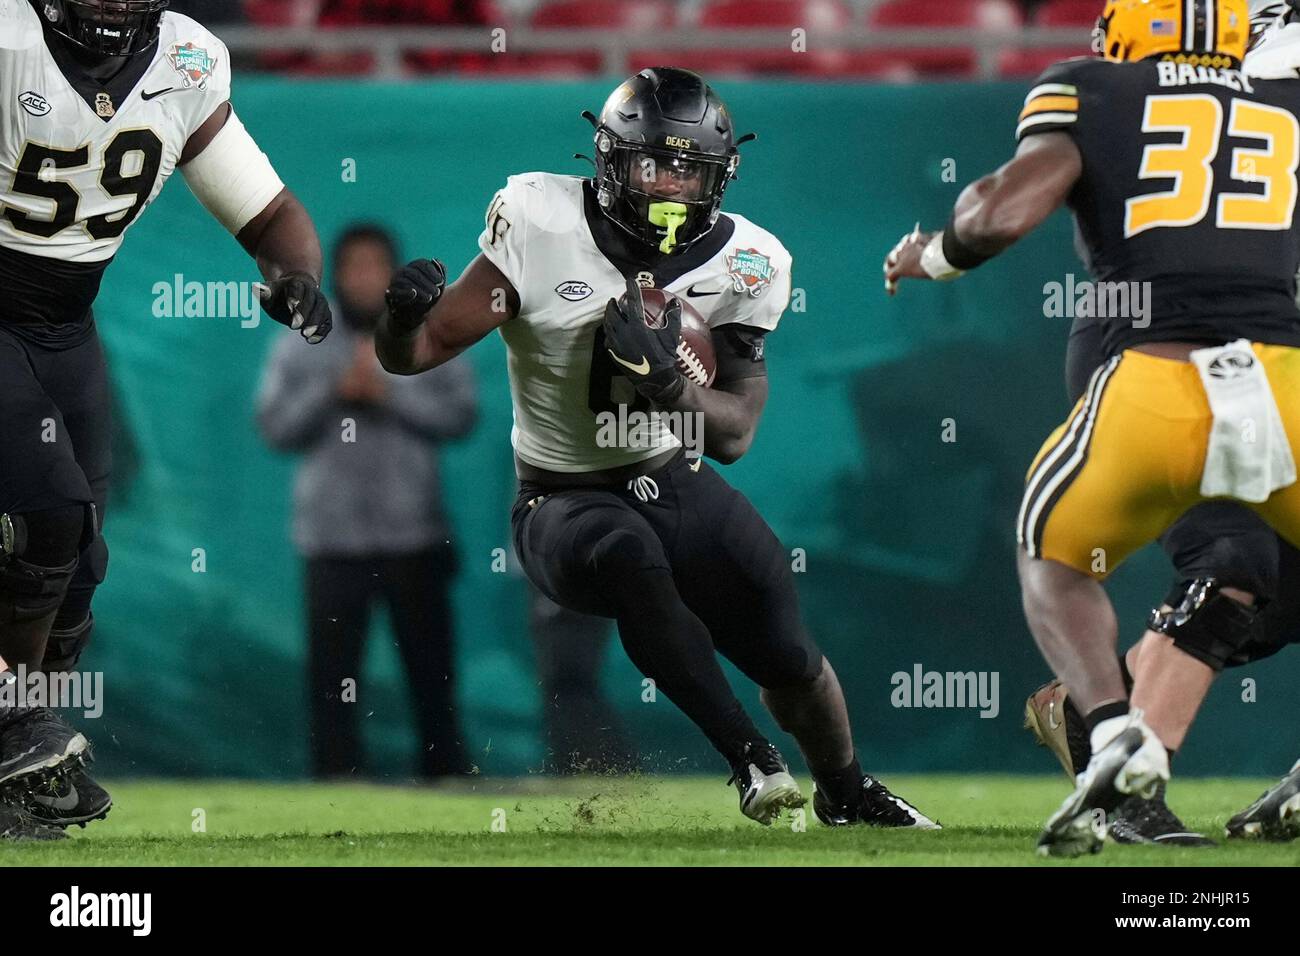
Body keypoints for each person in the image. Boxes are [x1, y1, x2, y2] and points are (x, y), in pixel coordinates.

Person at [375, 67, 937, 828]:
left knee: (784, 644)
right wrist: (401, 320)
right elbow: (418, 351)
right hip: (559, 493)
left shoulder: (751, 261)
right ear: (612, 160)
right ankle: (750, 757)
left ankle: (848, 791)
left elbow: (734, 434)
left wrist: (669, 384)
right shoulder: (541, 222)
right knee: (626, 554)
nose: (672, 185)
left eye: (690, 168)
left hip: (670, 477)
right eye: (655, 163)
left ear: (720, 175)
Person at [883, 0, 1300, 856]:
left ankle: (1102, 723)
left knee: (1093, 558)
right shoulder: (1280, 98)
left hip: (1163, 370)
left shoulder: (1092, 86)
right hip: (1239, 358)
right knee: (1236, 563)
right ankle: (1126, 779)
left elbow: (1000, 212)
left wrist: (931, 256)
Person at [0, 0, 332, 840]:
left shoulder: (187, 61)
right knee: (45, 517)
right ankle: (10, 726)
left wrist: (293, 275)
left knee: (78, 566)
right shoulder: (7, 38)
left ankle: (17, 774)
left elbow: (267, 211)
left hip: (65, 326)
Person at [1021, 0, 1300, 847]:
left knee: (1274, 597)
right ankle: (1126, 779)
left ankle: (1088, 710)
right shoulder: (1254, 56)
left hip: (1268, 341)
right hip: (1176, 336)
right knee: (1234, 557)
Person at [258, 224, 476, 780]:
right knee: (332, 687)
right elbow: (275, 427)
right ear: (336, 273)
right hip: (331, 543)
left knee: (433, 682)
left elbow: (461, 416)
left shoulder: (428, 333)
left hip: (415, 537)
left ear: (394, 274)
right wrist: (334, 389)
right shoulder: (301, 338)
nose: (364, 278)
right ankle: (336, 800)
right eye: (352, 267)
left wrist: (390, 392)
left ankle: (447, 787)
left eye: (376, 266)